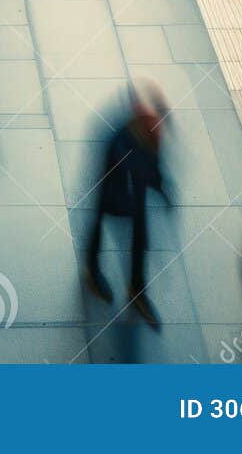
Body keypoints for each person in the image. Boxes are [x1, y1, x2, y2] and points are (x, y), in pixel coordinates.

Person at [83, 86, 170, 328]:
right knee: (98, 227)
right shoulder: (118, 139)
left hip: (134, 196)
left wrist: (161, 186)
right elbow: (134, 167)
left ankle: (136, 289)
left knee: (140, 241)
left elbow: (154, 167)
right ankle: (91, 270)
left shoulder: (152, 133)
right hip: (113, 194)